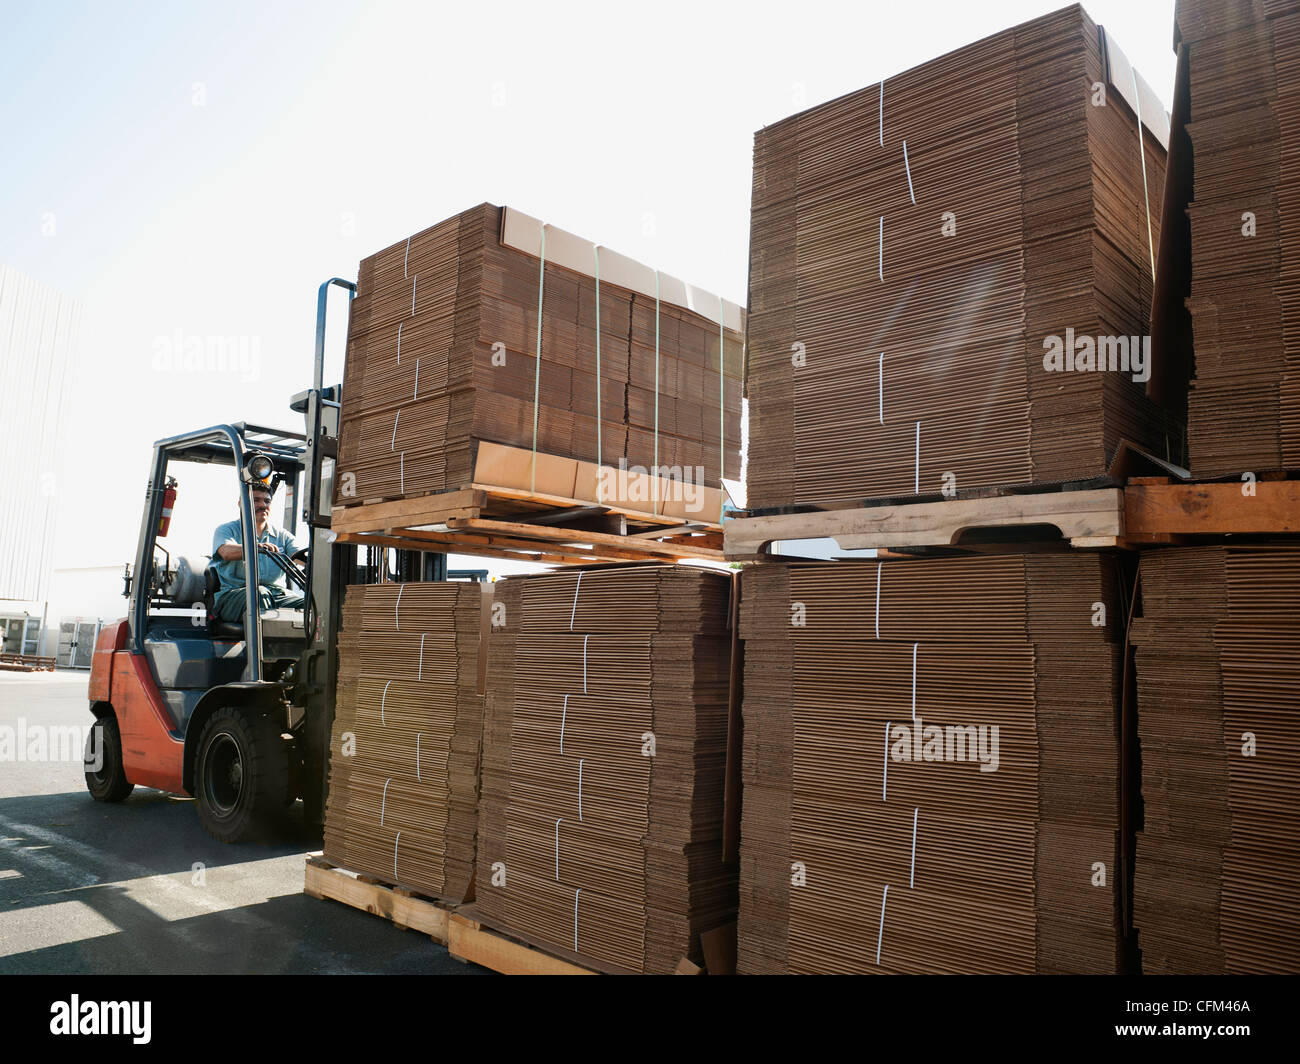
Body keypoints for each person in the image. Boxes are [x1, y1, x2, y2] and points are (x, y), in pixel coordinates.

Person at [210, 485, 308, 622]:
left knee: (311, 605)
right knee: (258, 593)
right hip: (234, 597)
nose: (262, 505)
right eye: (255, 500)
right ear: (241, 503)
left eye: (267, 501)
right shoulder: (227, 530)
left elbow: (299, 557)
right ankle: (269, 643)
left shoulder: (283, 536)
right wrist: (256, 547)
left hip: (276, 595)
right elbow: (226, 552)